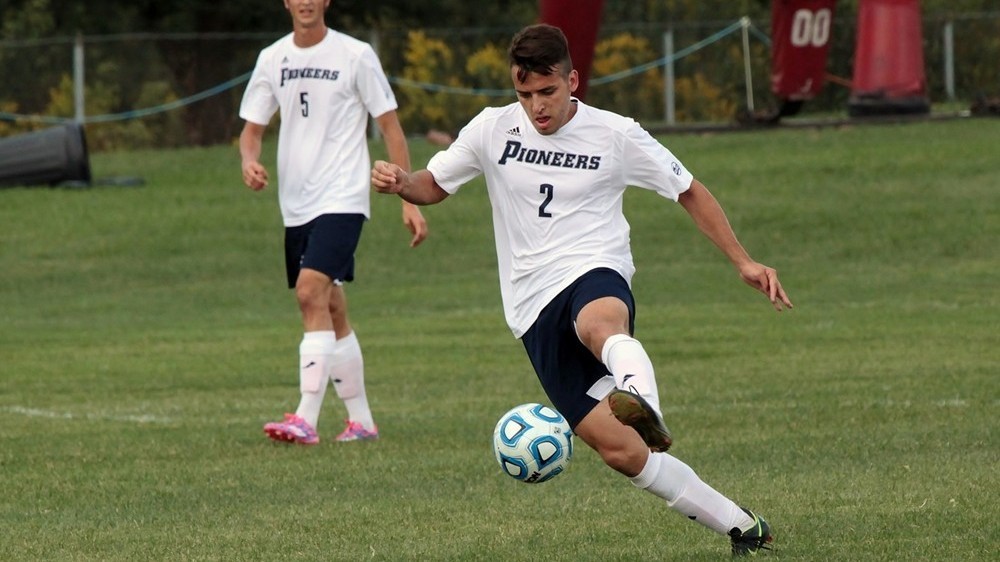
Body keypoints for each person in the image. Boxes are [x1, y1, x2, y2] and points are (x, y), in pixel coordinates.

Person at [371, 24, 792, 556]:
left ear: (573, 80)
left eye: (547, 92)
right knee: (623, 453)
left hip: (595, 269)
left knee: (598, 324)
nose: (536, 107)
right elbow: (432, 184)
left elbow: (688, 189)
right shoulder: (491, 129)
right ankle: (741, 526)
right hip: (530, 306)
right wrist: (400, 183)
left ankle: (641, 397)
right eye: (525, 95)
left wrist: (743, 261)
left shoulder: (615, 134)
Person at [239, 0, 428, 445]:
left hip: (343, 197)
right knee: (331, 306)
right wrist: (250, 162)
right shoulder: (273, 59)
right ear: (287, 2)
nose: (305, 2)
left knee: (309, 292)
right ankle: (361, 422)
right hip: (296, 204)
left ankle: (305, 417)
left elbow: (391, 128)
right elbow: (251, 131)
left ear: (325, 1)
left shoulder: (356, 55)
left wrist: (407, 197)